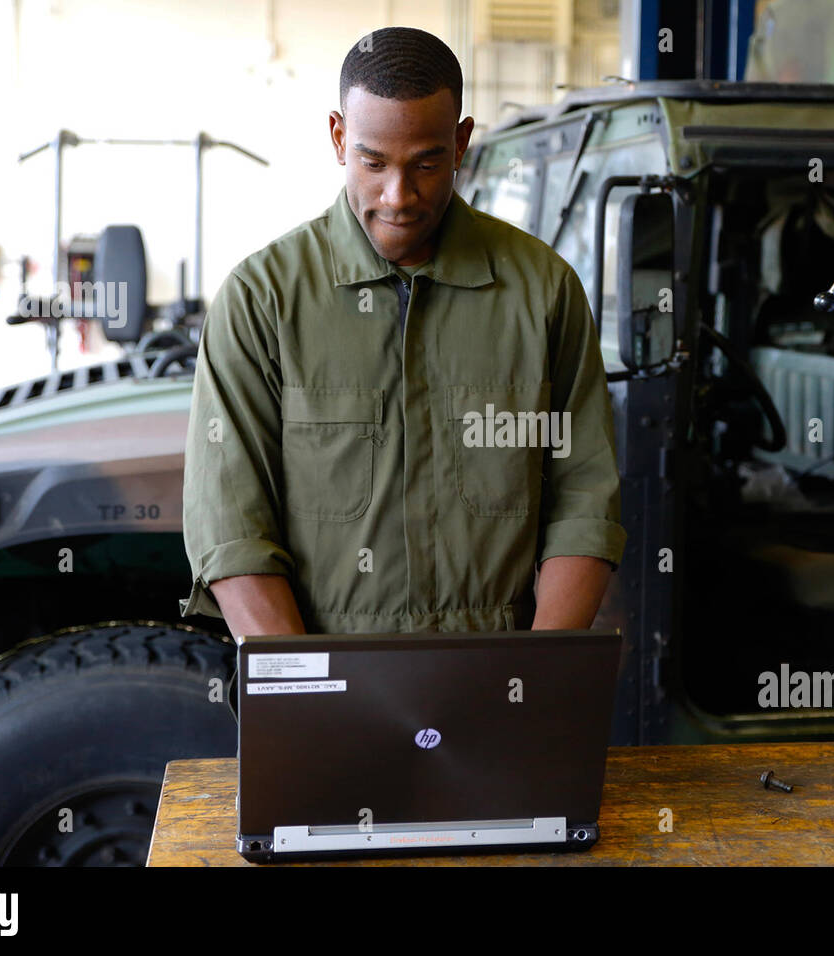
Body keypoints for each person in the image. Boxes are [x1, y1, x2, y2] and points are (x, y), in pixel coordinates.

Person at [180, 26, 625, 643]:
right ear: (338, 137)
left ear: (462, 141)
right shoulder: (262, 301)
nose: (399, 196)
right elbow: (231, 528)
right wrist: (311, 688)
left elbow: (585, 502)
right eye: (373, 162)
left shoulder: (542, 291)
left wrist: (531, 678)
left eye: (426, 163)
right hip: (326, 666)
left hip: (497, 672)